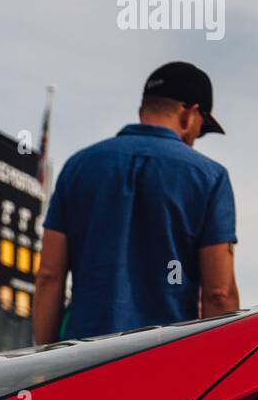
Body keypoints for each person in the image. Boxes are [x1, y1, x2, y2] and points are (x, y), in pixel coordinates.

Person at [34, 62, 238, 344]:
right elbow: (219, 293)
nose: (195, 140)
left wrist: (44, 363)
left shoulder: (78, 167)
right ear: (189, 115)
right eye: (201, 130)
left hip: (79, 363)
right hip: (165, 362)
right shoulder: (209, 178)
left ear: (143, 110)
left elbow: (49, 276)